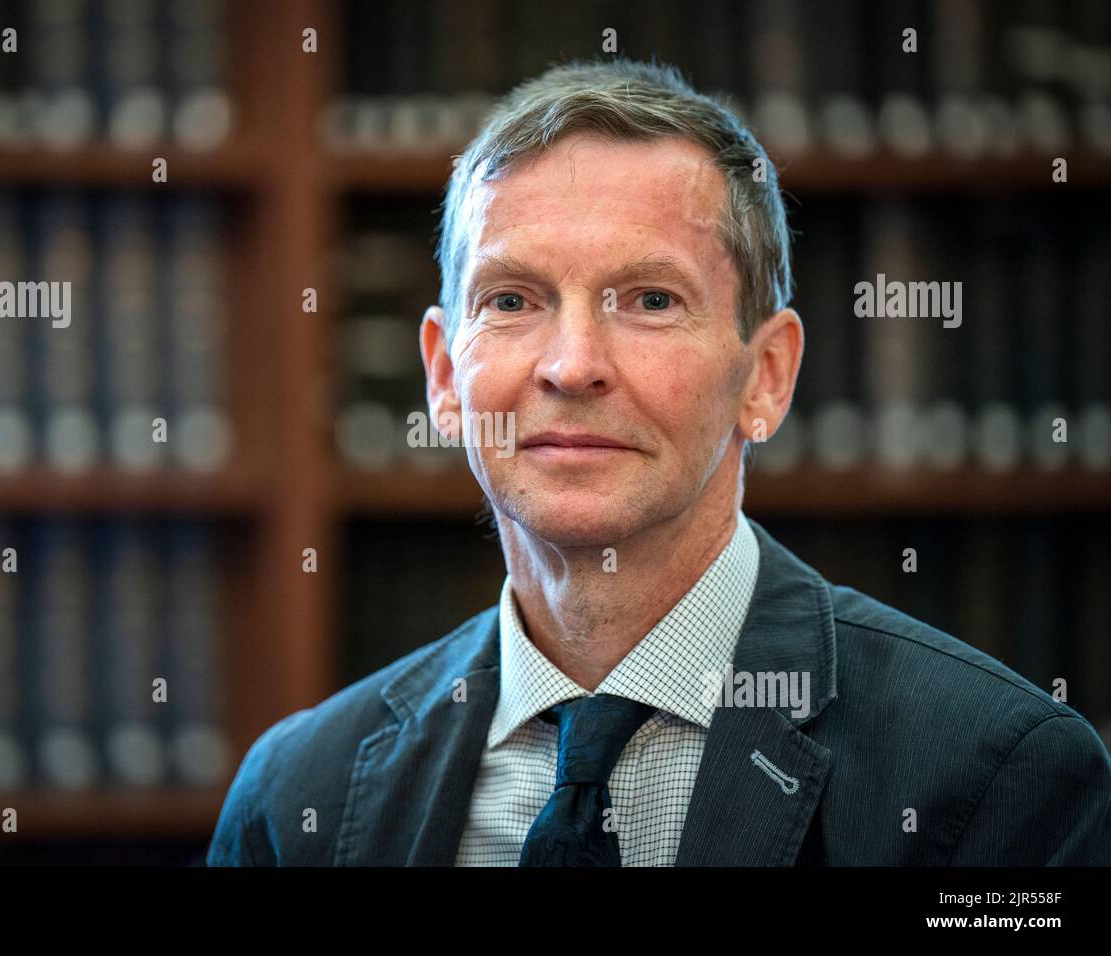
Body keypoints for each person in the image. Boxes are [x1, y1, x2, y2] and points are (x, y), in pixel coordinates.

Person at [207, 57, 1111, 866]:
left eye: (648, 299)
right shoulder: (297, 803)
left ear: (766, 376)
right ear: (445, 377)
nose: (571, 365)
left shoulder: (1003, 781)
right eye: (514, 299)